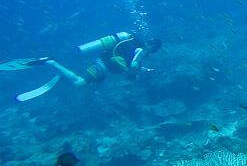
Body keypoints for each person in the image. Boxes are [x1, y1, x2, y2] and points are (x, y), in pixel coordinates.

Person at [5, 31, 162, 102]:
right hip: (102, 68)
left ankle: (60, 72)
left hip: (101, 64)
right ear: (153, 48)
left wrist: (143, 70)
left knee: (88, 86)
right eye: (154, 50)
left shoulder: (132, 42)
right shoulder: (141, 50)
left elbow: (126, 62)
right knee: (79, 83)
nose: (152, 53)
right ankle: (51, 62)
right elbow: (133, 64)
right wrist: (134, 73)